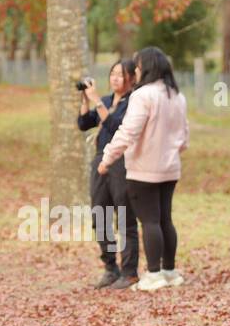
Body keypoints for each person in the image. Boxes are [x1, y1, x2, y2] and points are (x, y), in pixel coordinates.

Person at [98, 46, 189, 292]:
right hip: (170, 168)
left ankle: (153, 273)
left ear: (146, 68)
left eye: (137, 67)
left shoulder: (143, 96)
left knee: (149, 221)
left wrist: (107, 158)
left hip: (144, 169)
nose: (135, 72)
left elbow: (128, 132)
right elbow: (184, 136)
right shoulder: (177, 96)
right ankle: (169, 271)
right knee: (165, 219)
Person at [77, 59, 140, 289]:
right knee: (100, 215)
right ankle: (110, 267)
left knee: (124, 216)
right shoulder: (104, 100)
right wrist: (85, 100)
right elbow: (84, 123)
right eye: (112, 74)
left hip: (122, 162)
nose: (115, 78)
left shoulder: (133, 102)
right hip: (100, 159)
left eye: (120, 75)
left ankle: (130, 271)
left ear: (131, 78)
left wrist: (96, 102)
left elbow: (116, 127)